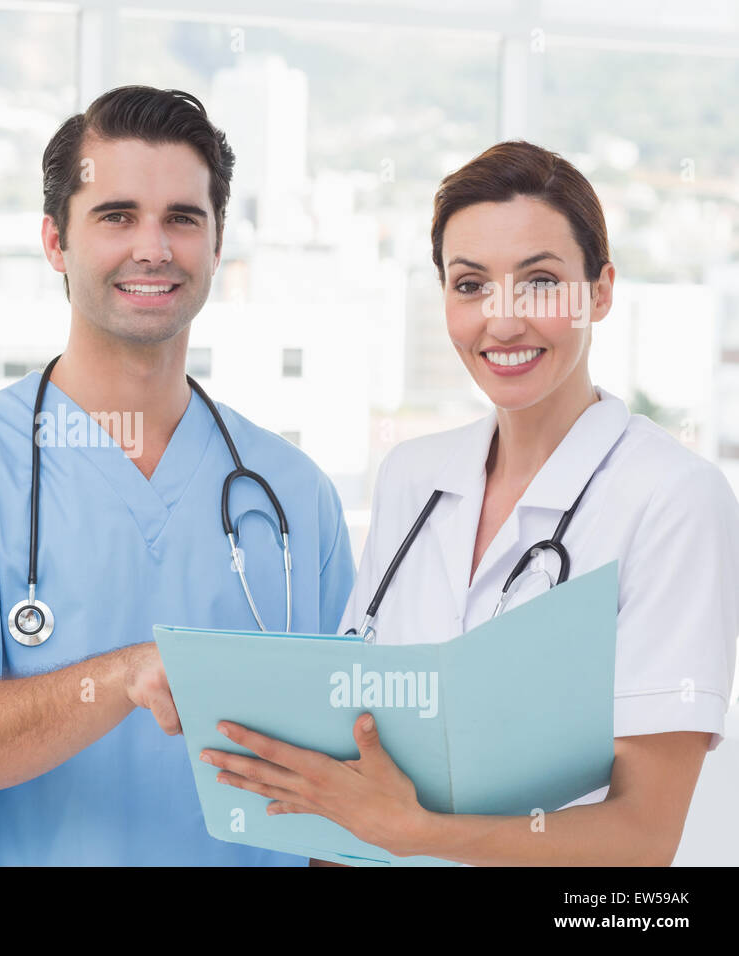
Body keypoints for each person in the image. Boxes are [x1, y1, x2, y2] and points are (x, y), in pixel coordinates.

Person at [0, 85, 355, 865]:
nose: (153, 248)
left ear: (217, 245)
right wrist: (124, 677)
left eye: (182, 219)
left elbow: (337, 782)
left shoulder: (292, 494)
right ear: (56, 241)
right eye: (117, 216)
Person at [200, 141, 739, 866]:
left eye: (540, 282)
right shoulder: (411, 479)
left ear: (601, 291)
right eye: (471, 284)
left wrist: (414, 832)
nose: (503, 321)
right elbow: (358, 743)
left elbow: (642, 836)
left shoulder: (672, 498)